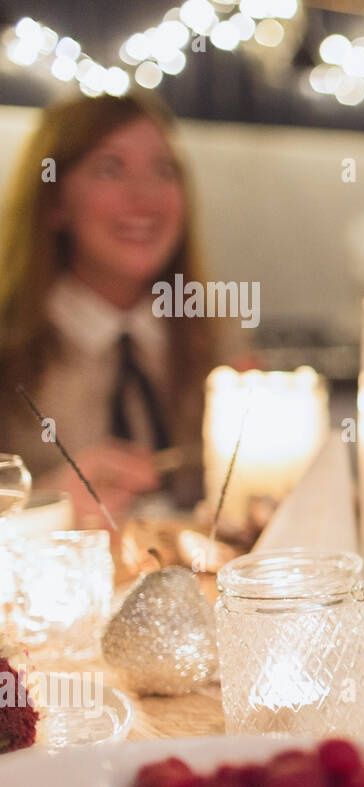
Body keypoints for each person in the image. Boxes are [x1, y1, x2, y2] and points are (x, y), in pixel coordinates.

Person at [0, 92, 217, 525]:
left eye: (163, 170)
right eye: (109, 169)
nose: (145, 197)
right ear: (55, 202)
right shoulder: (9, 345)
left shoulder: (213, 339)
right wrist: (42, 508)